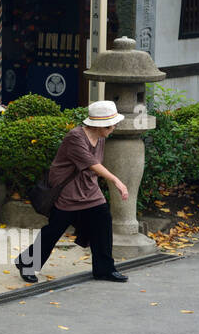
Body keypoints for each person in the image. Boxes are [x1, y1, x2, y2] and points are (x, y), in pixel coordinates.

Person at [14, 100, 130, 283]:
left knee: (103, 224)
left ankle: (105, 269)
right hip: (68, 191)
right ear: (100, 125)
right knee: (54, 230)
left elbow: (94, 166)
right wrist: (116, 181)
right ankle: (27, 263)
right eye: (111, 125)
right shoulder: (75, 137)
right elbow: (92, 164)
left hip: (90, 189)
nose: (114, 127)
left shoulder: (100, 137)